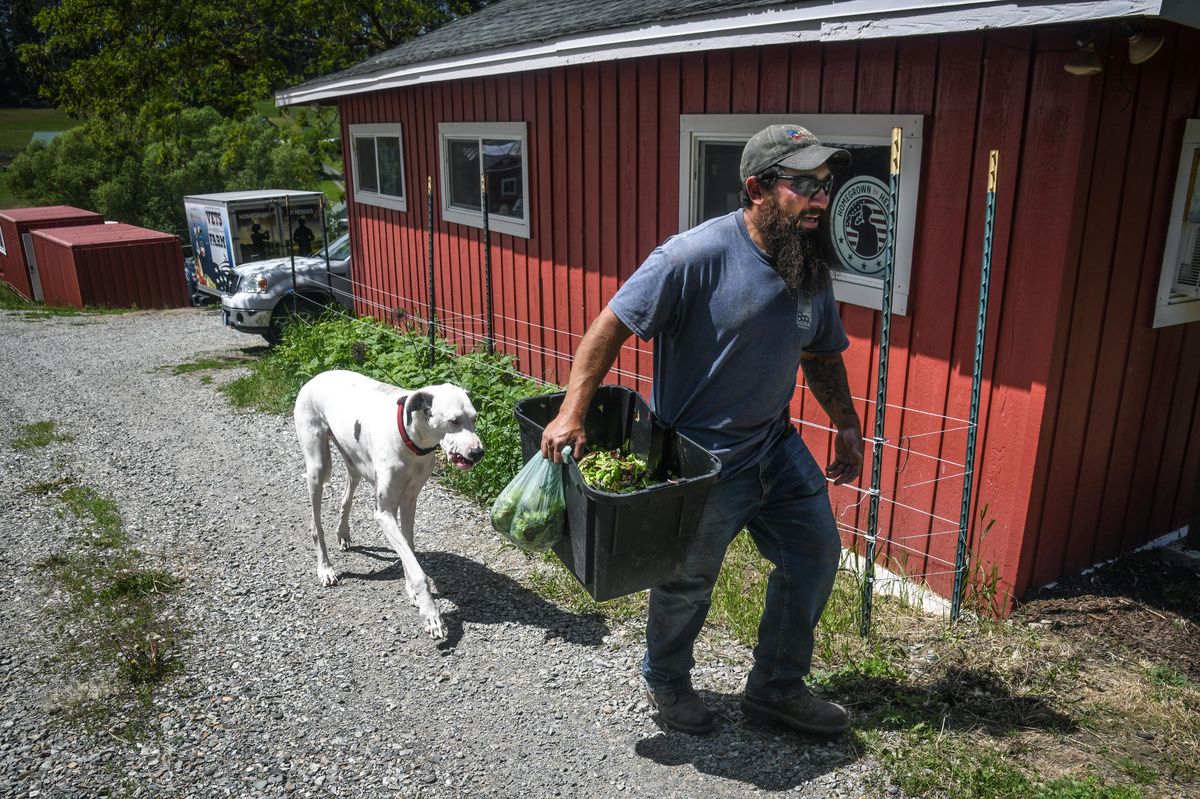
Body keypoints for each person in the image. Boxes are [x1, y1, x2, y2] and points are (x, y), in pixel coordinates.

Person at [540, 124, 864, 736]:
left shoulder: (807, 266)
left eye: (825, 185)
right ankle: (667, 682)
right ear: (757, 189)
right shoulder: (690, 257)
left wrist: (845, 422)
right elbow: (610, 325)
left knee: (814, 553)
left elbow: (820, 353)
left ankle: (775, 689)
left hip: (775, 445)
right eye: (803, 185)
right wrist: (571, 411)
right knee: (687, 581)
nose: (821, 198)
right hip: (701, 460)